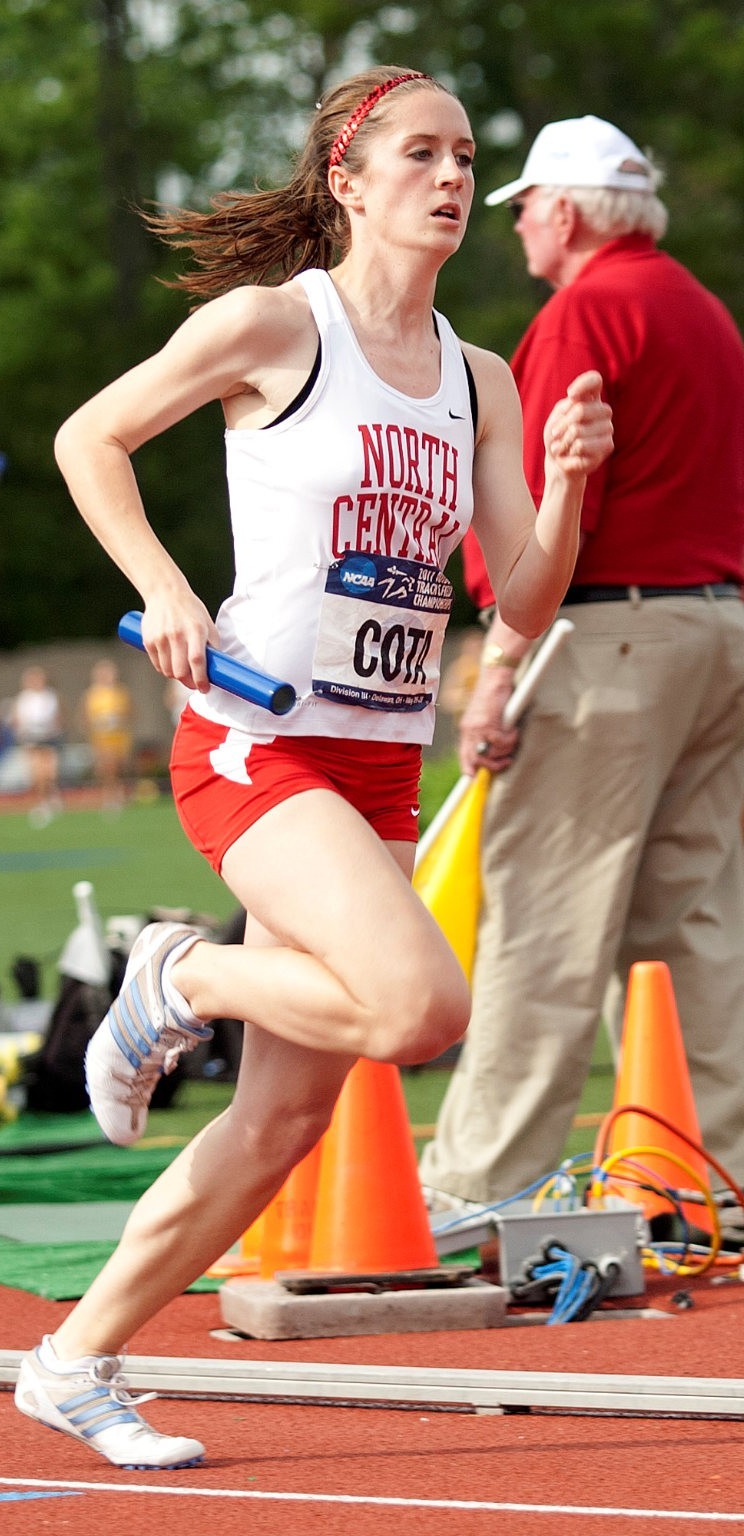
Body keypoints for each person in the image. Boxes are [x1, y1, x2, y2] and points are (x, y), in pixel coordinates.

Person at [12, 68, 612, 1470]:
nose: (454, 177)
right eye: (423, 152)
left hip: (378, 764)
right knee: (418, 1005)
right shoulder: (277, 324)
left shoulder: (481, 378)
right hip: (256, 737)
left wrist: (574, 480)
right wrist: (164, 586)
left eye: (469, 155)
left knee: (281, 1120)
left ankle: (72, 1359)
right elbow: (86, 437)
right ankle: (180, 976)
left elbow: (519, 600)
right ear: (347, 178)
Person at [419, 116, 744, 1218]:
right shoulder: (701, 310)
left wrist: (496, 672)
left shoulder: (584, 314)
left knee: (548, 916)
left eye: (520, 206)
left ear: (562, 210)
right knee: (691, 925)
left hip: (606, 639)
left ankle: (482, 1182)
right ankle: (712, 1180)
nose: (511, 224)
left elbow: (545, 524)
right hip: (717, 628)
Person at [11, 665, 63, 826]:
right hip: (31, 738)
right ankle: (41, 802)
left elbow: (58, 716)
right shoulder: (24, 698)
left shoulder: (50, 696)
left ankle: (50, 796)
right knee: (36, 774)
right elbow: (17, 719)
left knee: (50, 772)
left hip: (48, 737)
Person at [81, 657, 133, 811]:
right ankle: (109, 796)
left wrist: (118, 721)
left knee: (118, 767)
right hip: (100, 737)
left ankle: (119, 793)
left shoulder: (120, 692)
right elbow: (85, 716)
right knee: (105, 768)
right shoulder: (91, 694)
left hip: (118, 736)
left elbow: (130, 713)